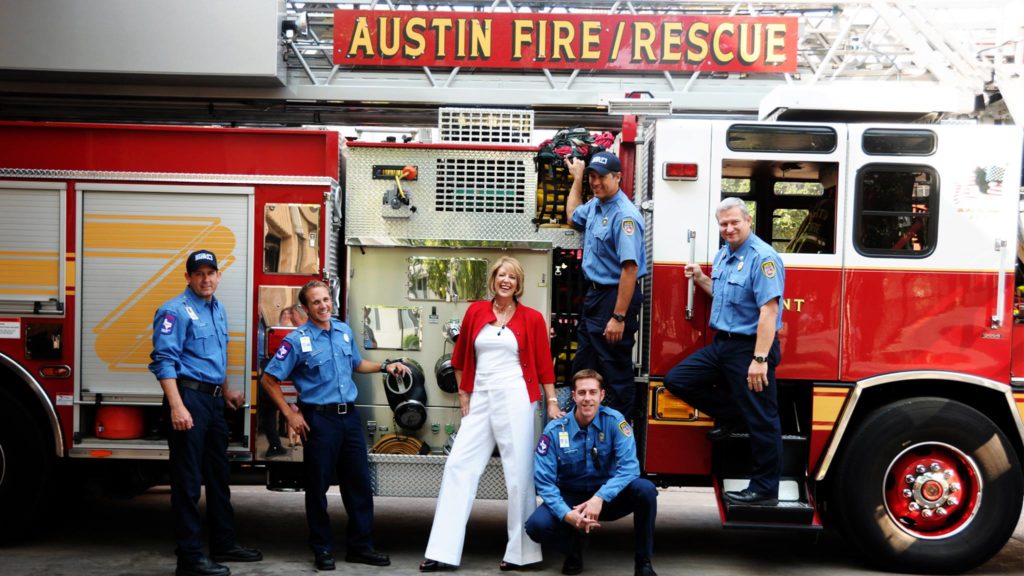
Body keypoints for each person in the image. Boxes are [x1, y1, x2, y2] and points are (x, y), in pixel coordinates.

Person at [419, 256, 561, 572]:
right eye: (501, 274)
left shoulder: (532, 318)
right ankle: (442, 551)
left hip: (516, 397)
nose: (505, 280)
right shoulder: (475, 312)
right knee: (458, 466)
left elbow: (544, 366)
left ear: (518, 283)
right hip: (480, 397)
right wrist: (464, 396)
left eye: (511, 276)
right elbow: (459, 359)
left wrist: (551, 401)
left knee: (518, 475)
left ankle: (521, 554)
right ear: (493, 280)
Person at [261, 280, 408, 571]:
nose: (323, 306)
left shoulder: (342, 331)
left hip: (349, 419)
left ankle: (360, 547)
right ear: (305, 307)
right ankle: (322, 548)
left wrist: (384, 366)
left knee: (359, 486)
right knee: (317, 487)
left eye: (326, 299)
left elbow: (355, 363)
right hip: (319, 420)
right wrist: (290, 414)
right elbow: (269, 379)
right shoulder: (296, 340)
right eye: (316, 302)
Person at [664, 196, 785, 506]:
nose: (729, 228)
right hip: (722, 345)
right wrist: (703, 279)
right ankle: (733, 415)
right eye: (724, 224)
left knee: (762, 419)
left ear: (748, 222)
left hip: (749, 349)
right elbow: (724, 294)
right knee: (678, 380)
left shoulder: (763, 258)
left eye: (735, 222)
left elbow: (768, 312)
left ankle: (765, 489)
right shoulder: (723, 256)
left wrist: (759, 359)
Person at [149, 249, 262, 576]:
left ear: (218, 275)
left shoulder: (218, 309)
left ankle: (224, 543)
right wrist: (177, 406)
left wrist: (225, 392)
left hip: (212, 403)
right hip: (188, 399)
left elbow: (218, 356)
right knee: (187, 481)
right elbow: (164, 362)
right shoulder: (174, 311)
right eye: (198, 273)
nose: (205, 278)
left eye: (210, 272)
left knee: (218, 476)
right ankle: (189, 558)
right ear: (188, 277)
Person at [525, 369, 657, 576]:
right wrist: (566, 514)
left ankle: (643, 562)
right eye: (582, 392)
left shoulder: (614, 421)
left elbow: (630, 468)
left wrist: (600, 497)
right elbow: (544, 482)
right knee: (536, 526)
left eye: (593, 392)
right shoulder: (555, 430)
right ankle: (573, 550)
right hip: (572, 496)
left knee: (646, 489)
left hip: (606, 498)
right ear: (574, 395)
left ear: (601, 395)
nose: (587, 399)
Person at [565, 151, 647, 419]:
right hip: (595, 298)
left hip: (615, 298)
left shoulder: (625, 216)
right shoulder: (597, 205)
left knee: (615, 373)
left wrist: (618, 316)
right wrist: (577, 179)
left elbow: (630, 269)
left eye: (601, 177)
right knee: (583, 367)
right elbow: (572, 216)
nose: (596, 182)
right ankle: (583, 433)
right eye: (592, 177)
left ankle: (621, 442)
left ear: (618, 177)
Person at [262, 304, 308, 458]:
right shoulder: (278, 335)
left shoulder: (307, 335)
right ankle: (275, 444)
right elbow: (267, 379)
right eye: (286, 316)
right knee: (269, 410)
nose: (290, 321)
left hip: (295, 380)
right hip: (276, 375)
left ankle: (295, 441)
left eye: (291, 317)